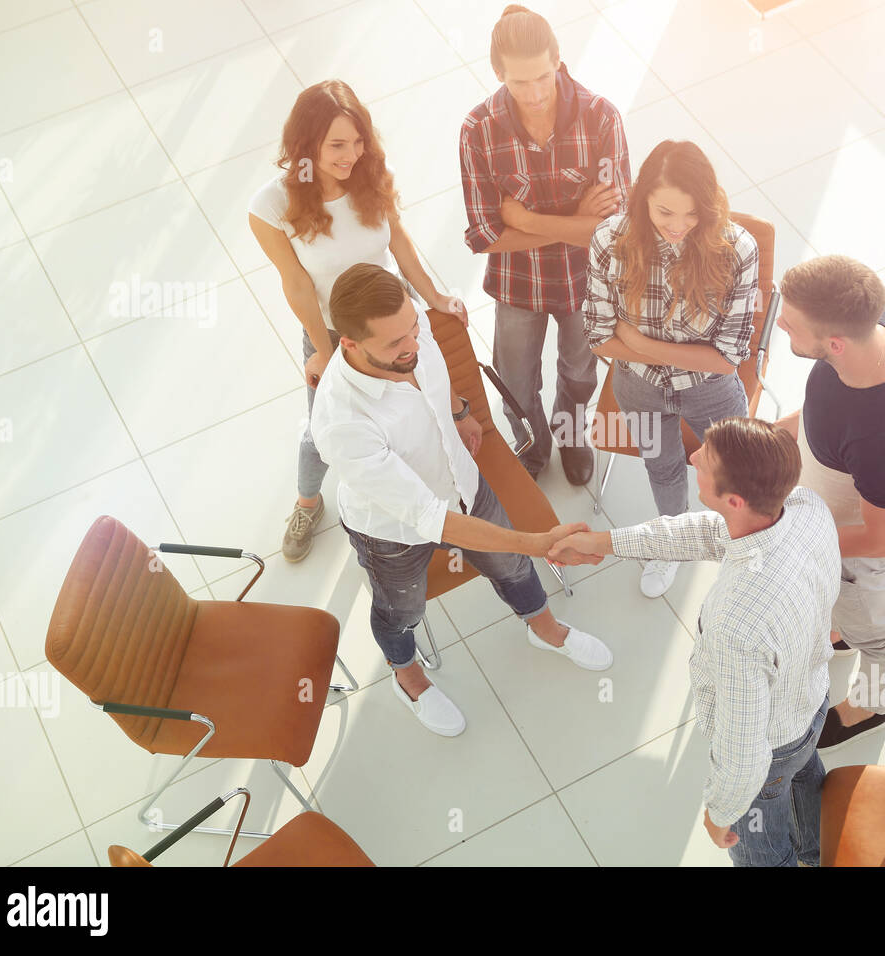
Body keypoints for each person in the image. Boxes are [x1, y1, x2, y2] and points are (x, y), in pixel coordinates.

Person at [310, 264, 612, 738]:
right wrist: (537, 542)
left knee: (511, 567)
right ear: (349, 344)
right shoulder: (341, 423)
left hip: (464, 482)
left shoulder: (409, 324)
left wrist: (459, 411)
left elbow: (431, 364)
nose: (411, 343)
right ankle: (409, 680)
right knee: (401, 611)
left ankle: (546, 631)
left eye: (413, 329)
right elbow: (433, 519)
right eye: (394, 344)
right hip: (394, 531)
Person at [550, 417, 839, 867]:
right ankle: (820, 853)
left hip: (769, 751)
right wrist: (605, 542)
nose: (693, 457)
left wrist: (721, 813)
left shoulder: (736, 625)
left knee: (764, 852)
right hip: (812, 701)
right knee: (805, 777)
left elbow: (744, 753)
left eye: (706, 460)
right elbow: (704, 532)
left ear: (735, 500)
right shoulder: (804, 508)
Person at [249, 79, 467, 563]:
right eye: (337, 145)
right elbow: (298, 285)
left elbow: (400, 243)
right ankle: (308, 502)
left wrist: (435, 297)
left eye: (358, 141)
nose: (351, 155)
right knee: (321, 430)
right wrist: (325, 358)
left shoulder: (370, 175)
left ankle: (426, 486)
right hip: (332, 333)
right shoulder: (271, 207)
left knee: (418, 404)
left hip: (393, 320)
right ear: (306, 145)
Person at [459, 4, 631, 484]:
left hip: (587, 281)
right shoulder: (478, 130)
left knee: (579, 375)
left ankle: (571, 438)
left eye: (542, 77)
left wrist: (526, 219)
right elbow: (484, 236)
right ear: (498, 73)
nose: (534, 95)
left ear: (558, 60)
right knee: (514, 381)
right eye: (519, 82)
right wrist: (577, 221)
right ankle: (532, 446)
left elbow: (616, 230)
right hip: (518, 284)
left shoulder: (601, 119)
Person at [582, 140, 759, 598]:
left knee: (739, 472)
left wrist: (638, 341)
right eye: (664, 213)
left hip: (713, 389)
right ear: (642, 199)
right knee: (662, 471)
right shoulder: (610, 241)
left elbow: (728, 356)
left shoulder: (736, 249)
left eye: (692, 214)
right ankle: (673, 545)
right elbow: (600, 336)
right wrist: (661, 351)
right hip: (639, 388)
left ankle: (749, 545)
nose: (678, 227)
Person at [773, 255, 885, 750]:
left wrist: (796, 536)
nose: (778, 321)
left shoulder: (881, 435)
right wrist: (777, 432)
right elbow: (827, 409)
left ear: (833, 344)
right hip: (835, 493)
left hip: (855, 538)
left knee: (879, 636)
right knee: (836, 608)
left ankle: (871, 706)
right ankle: (837, 635)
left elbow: (884, 537)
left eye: (790, 323)